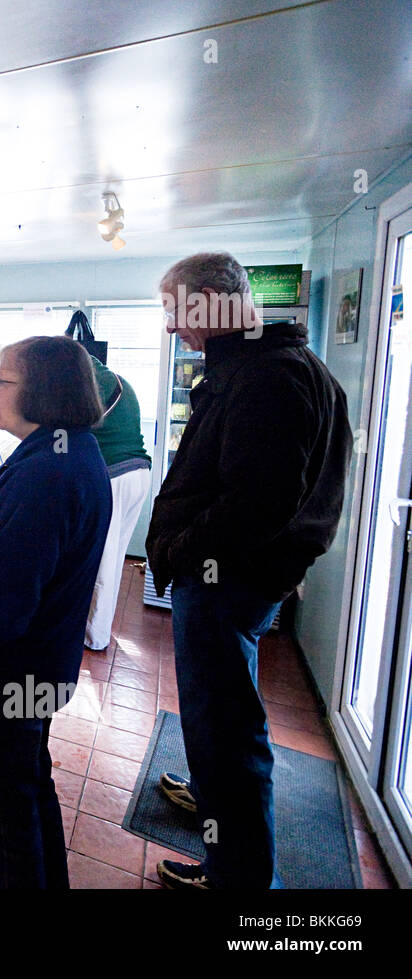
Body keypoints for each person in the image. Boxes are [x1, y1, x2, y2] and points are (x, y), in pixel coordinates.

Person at [146, 251, 351, 890]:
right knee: (220, 719)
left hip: (223, 583)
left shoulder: (269, 377)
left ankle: (239, 880)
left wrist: (180, 549)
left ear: (211, 299)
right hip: (241, 581)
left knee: (227, 734)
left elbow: (256, 504)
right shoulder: (283, 364)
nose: (173, 328)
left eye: (175, 310)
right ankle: (214, 811)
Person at [0, 335, 111, 888]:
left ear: (43, 393)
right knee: (30, 787)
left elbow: (0, 603)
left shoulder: (46, 476)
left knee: (7, 814)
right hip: (40, 667)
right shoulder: (68, 449)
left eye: (2, 380)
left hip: (8, 675)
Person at [74, 319, 152, 652]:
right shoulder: (119, 381)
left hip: (114, 478)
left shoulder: (86, 386)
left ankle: (94, 636)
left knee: (103, 561)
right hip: (138, 474)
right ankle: (97, 627)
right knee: (114, 555)